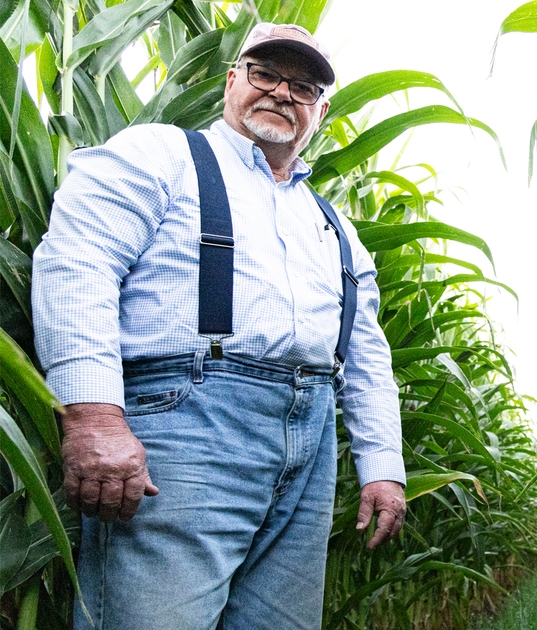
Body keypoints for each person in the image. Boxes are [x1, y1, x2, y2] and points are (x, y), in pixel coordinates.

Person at [32, 22, 406, 629]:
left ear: (321, 110)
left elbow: (366, 354)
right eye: (266, 74)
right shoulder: (160, 154)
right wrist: (94, 415)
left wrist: (383, 468)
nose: (283, 93)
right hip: (186, 433)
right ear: (232, 80)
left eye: (304, 87)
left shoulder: (333, 224)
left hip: (311, 444)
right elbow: (79, 262)